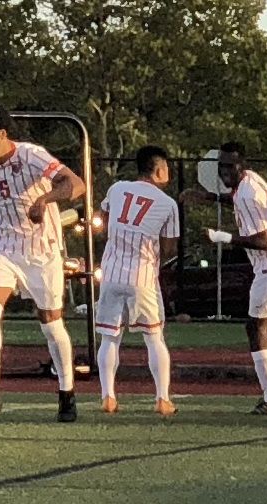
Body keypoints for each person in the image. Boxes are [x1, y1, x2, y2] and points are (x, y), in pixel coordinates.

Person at [0, 105, 85, 422]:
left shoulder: (31, 155)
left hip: (42, 248)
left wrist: (44, 200)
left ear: (3, 134)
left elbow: (76, 184)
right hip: (4, 244)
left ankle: (67, 391)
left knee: (51, 322)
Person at [180, 142, 267, 414]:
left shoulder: (247, 193)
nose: (225, 171)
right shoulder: (249, 182)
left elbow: (264, 241)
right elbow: (238, 201)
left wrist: (221, 237)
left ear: (243, 164)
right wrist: (210, 198)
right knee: (266, 325)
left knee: (256, 327)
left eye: (230, 166)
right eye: (222, 166)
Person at [95, 145, 180, 417]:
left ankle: (108, 396)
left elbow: (105, 221)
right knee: (154, 337)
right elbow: (170, 248)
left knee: (109, 337)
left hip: (111, 272)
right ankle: (162, 398)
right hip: (143, 275)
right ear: (158, 169)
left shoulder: (117, 188)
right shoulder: (167, 203)